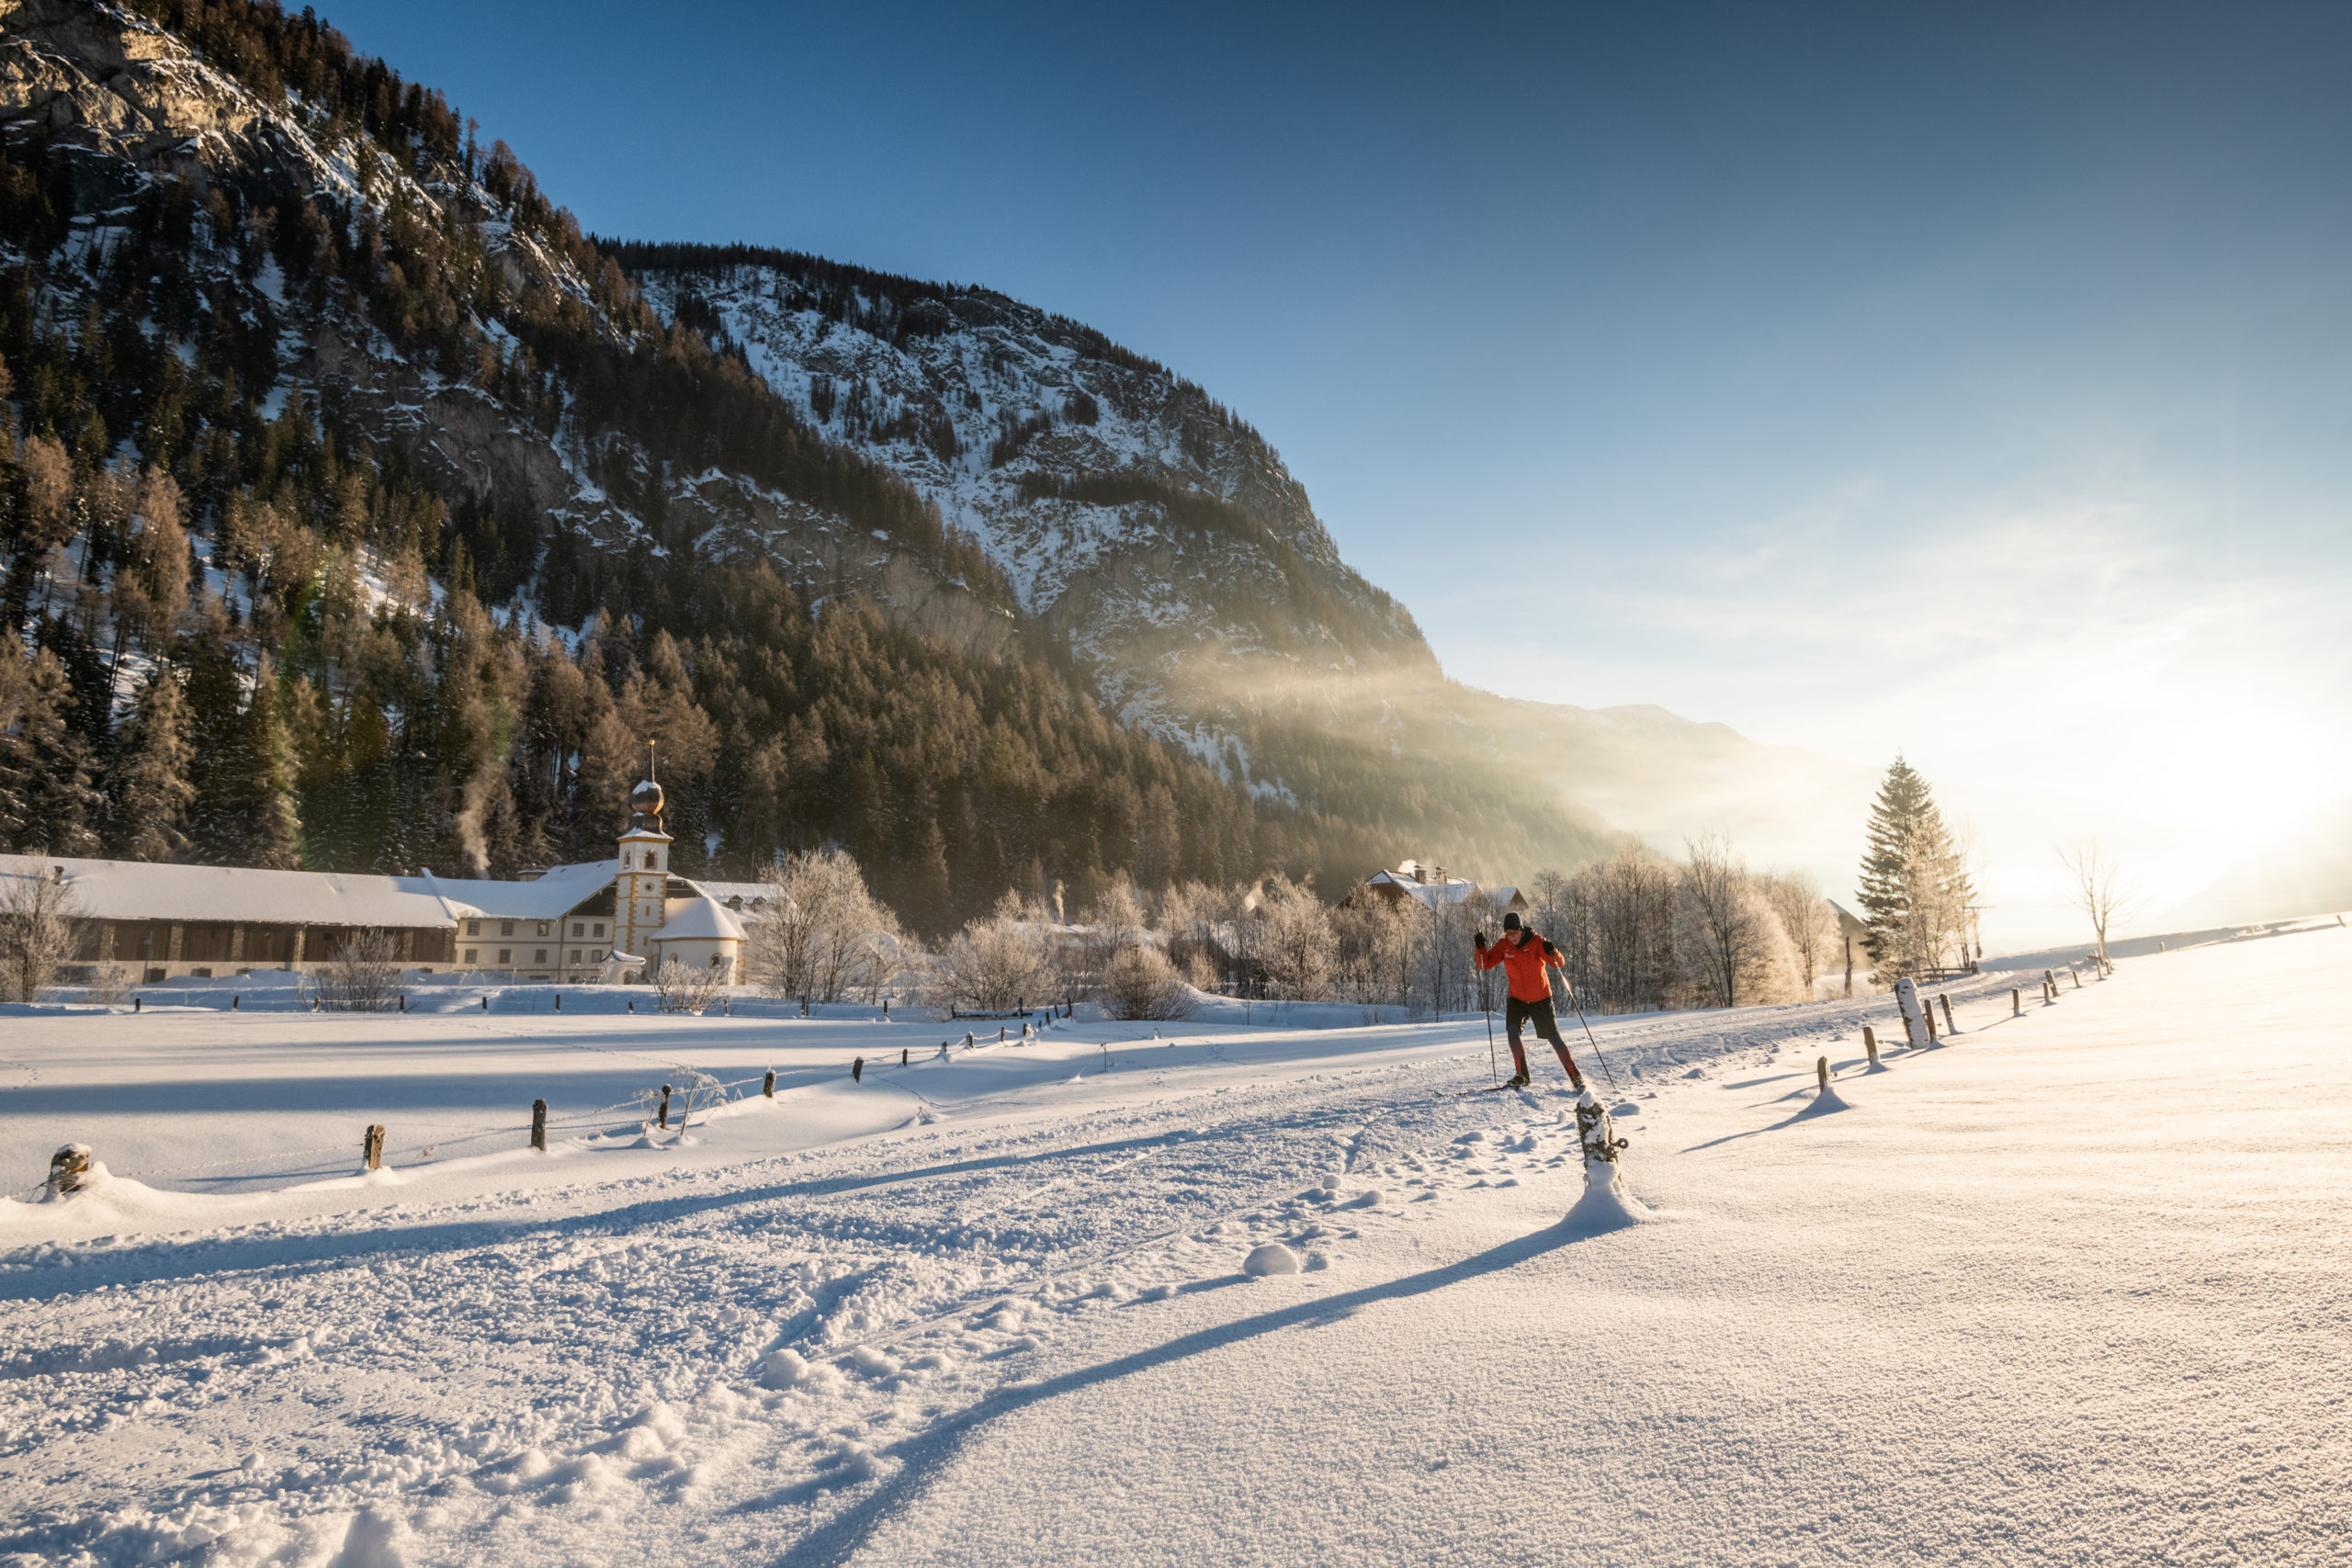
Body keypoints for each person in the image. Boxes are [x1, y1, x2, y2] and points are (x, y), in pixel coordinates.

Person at [1474, 912, 1584, 1090]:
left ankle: (1576, 1078)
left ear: (1521, 929)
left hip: (1541, 999)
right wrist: (1480, 947)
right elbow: (1484, 964)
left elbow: (1558, 963)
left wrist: (1552, 950)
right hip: (1517, 999)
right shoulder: (1504, 945)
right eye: (1509, 933)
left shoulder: (1536, 941)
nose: (1513, 937)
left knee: (1554, 1038)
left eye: (1515, 932)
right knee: (1512, 1032)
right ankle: (1522, 1075)